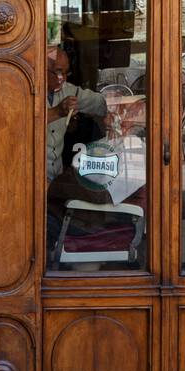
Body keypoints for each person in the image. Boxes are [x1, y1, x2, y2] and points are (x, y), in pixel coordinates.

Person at [46, 45, 109, 258]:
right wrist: (57, 112)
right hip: (29, 182)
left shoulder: (68, 91)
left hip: (54, 178)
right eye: (56, 71)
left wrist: (117, 108)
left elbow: (100, 103)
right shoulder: (23, 89)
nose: (61, 77)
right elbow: (19, 123)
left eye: (65, 72)